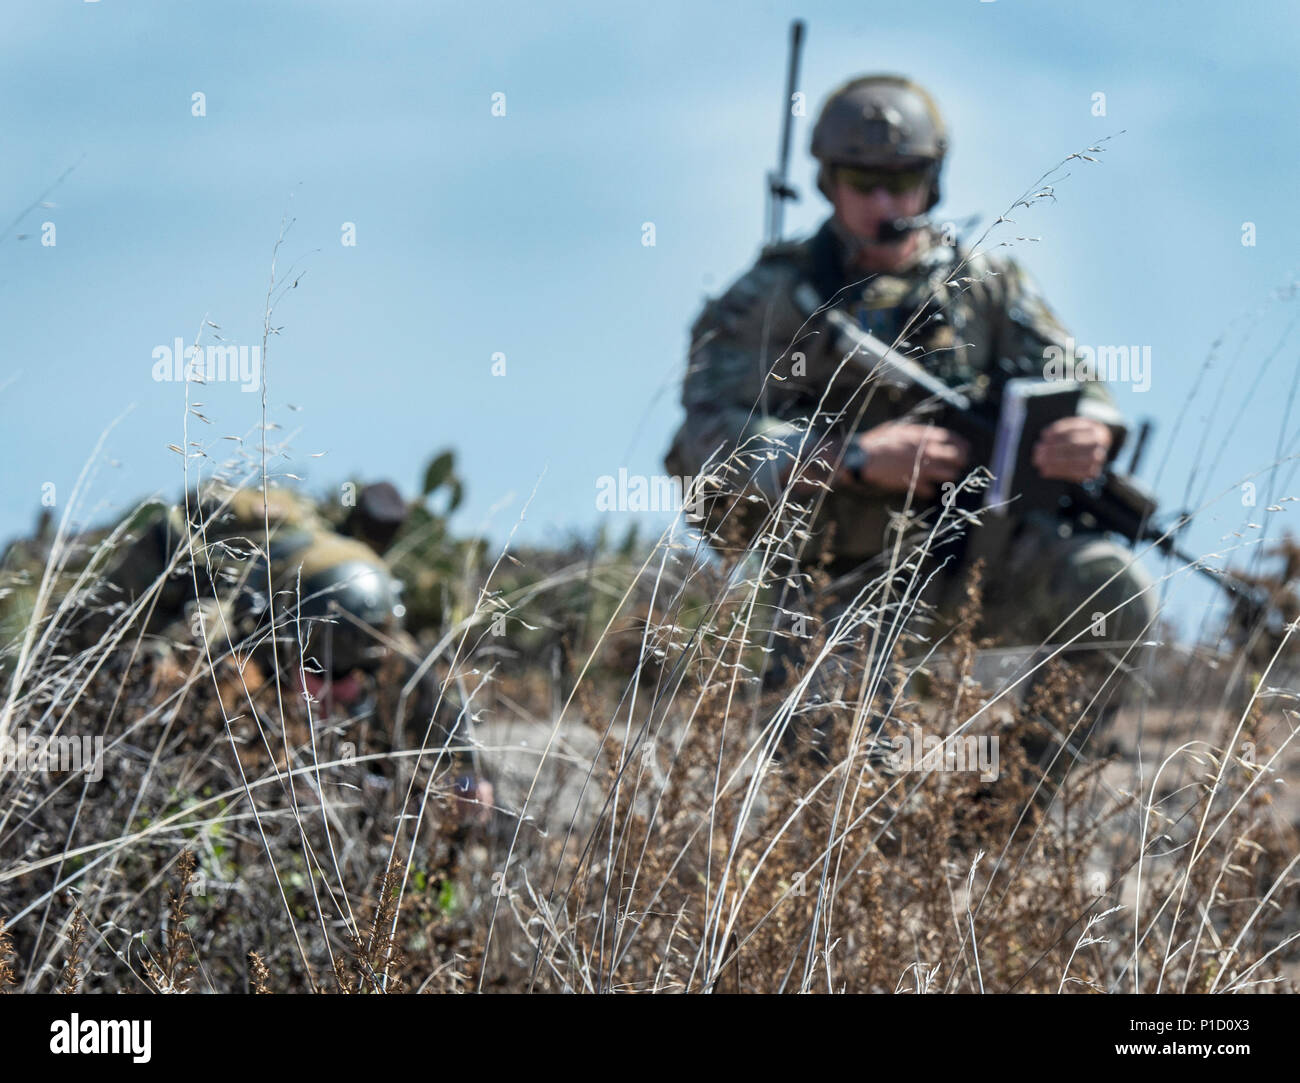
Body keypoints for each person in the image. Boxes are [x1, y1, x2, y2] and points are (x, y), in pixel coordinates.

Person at [665, 75, 1158, 776]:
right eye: (864, 182)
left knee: (1113, 586)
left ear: (934, 181)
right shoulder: (767, 299)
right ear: (829, 183)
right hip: (833, 578)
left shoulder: (984, 283)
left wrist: (1093, 430)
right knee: (844, 802)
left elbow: (1078, 380)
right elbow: (706, 441)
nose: (886, 203)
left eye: (907, 181)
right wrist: (850, 457)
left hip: (974, 566)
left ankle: (1006, 813)